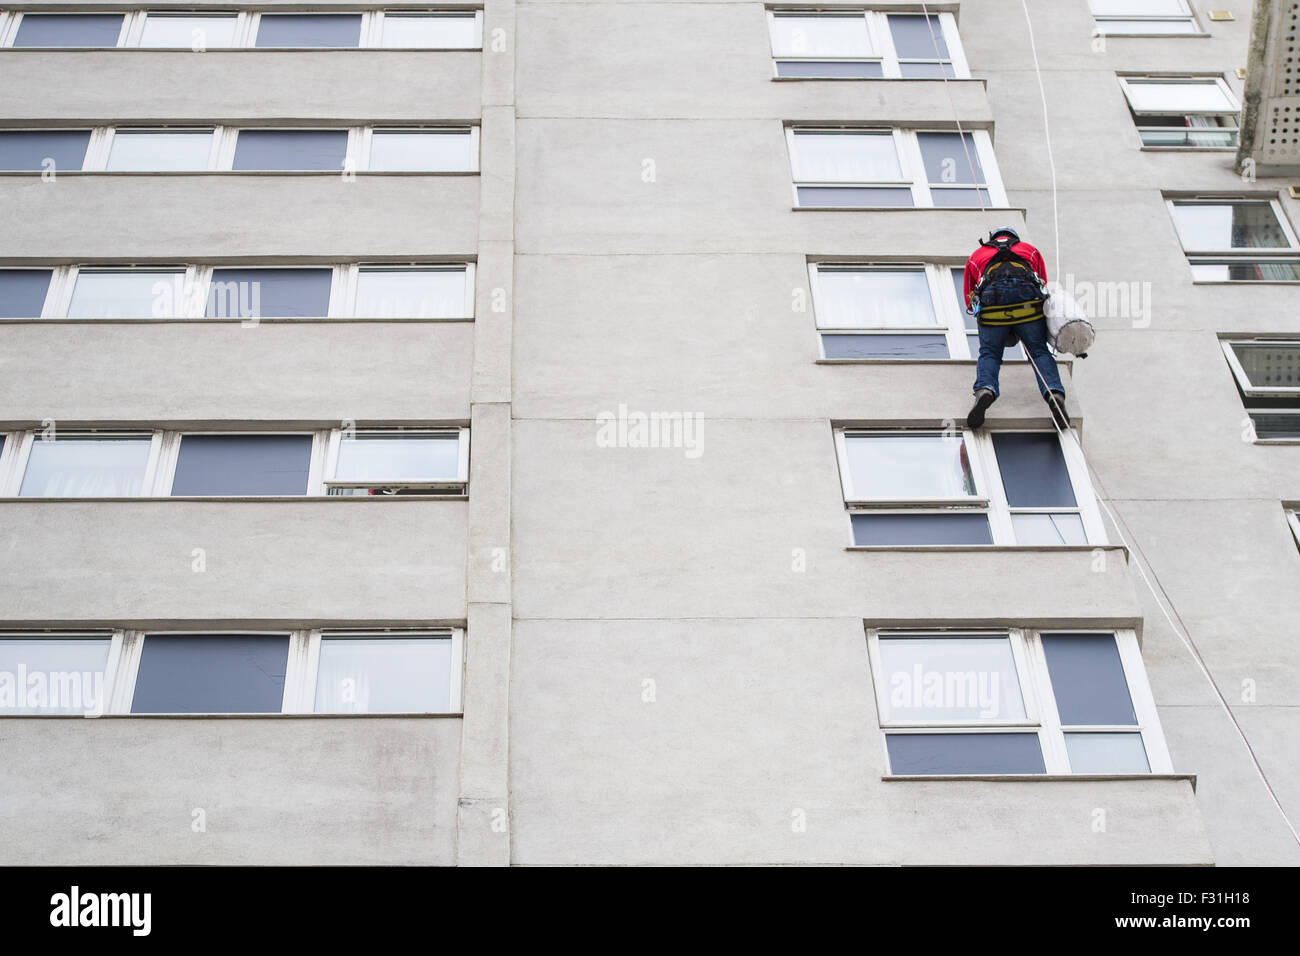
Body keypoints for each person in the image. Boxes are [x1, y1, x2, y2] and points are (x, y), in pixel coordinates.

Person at [963, 227, 1069, 430]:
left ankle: (985, 390)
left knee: (990, 353)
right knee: (1038, 351)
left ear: (992, 238)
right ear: (1014, 237)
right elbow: (1042, 283)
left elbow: (969, 300)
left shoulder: (977, 256)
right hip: (1027, 309)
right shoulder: (1029, 250)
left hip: (993, 312)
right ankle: (1054, 393)